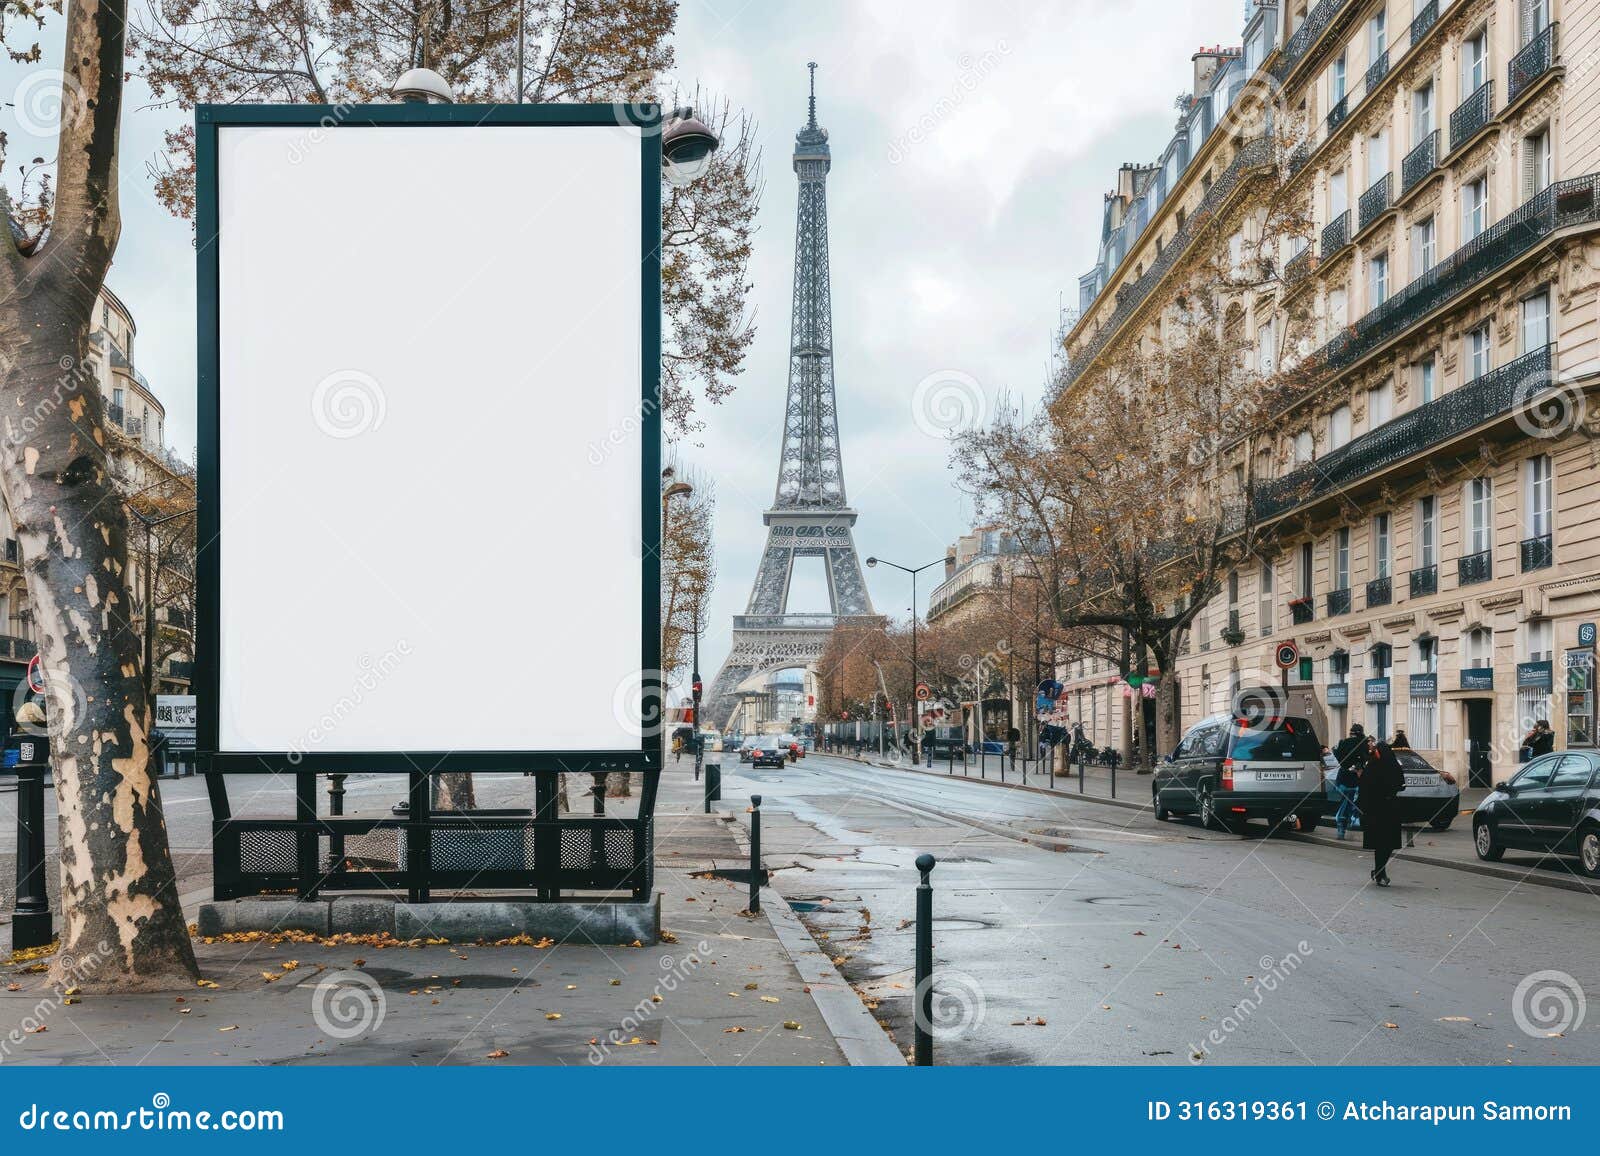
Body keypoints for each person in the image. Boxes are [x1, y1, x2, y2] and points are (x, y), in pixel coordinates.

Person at [1361, 736, 1406, 887]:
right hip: (1384, 809)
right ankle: (1381, 872)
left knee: (1385, 843)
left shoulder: (1375, 767)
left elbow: (1364, 789)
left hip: (1380, 809)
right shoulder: (1380, 767)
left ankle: (1379, 871)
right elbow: (1400, 784)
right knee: (1384, 843)